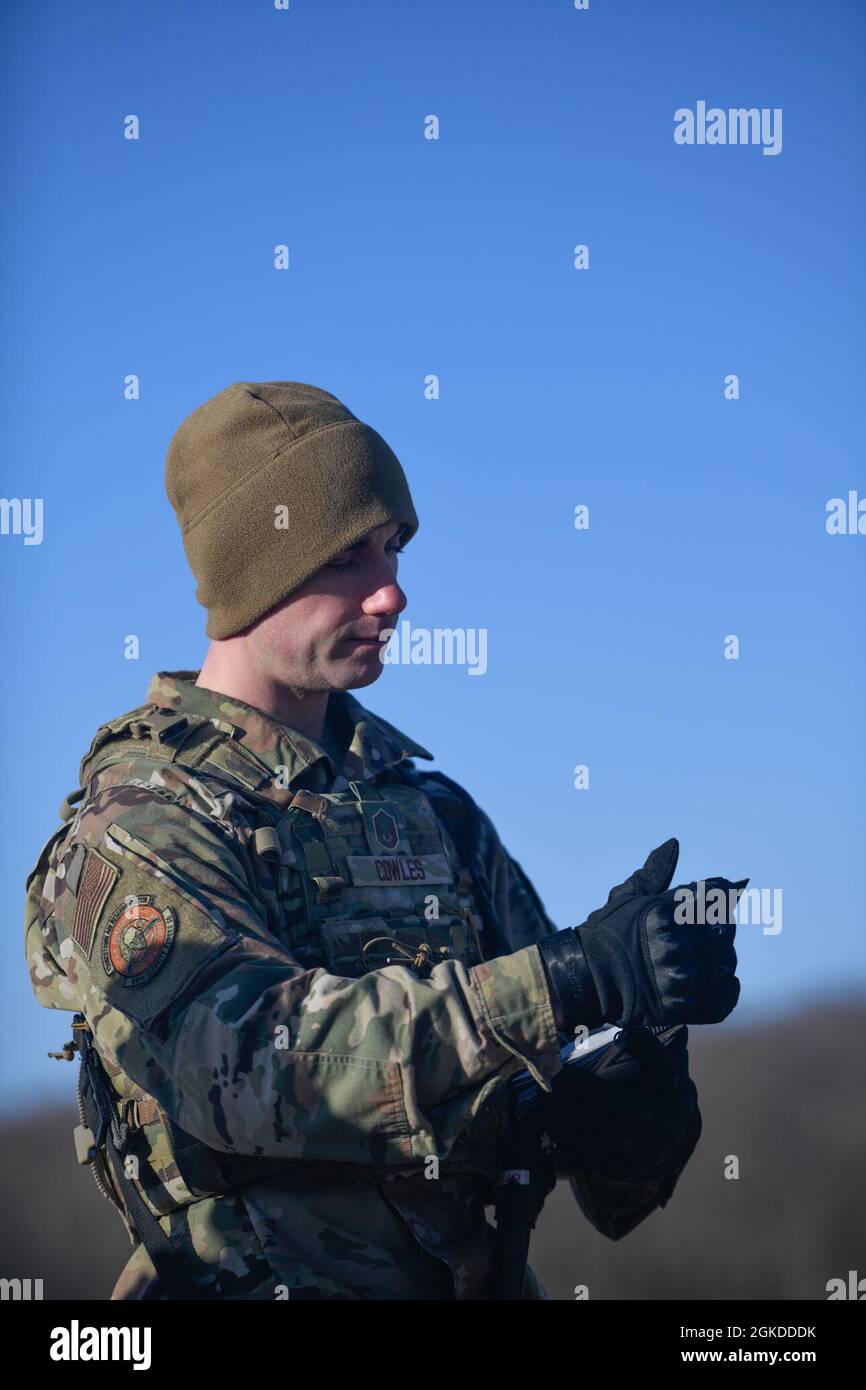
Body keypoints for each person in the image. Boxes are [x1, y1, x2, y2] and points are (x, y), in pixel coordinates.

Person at [24, 381, 742, 1300]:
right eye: (347, 556)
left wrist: (609, 1101)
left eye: (394, 547)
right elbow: (244, 1068)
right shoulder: (144, 821)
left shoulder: (429, 812)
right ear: (254, 571)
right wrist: (567, 979)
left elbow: (527, 1091)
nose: (393, 590)